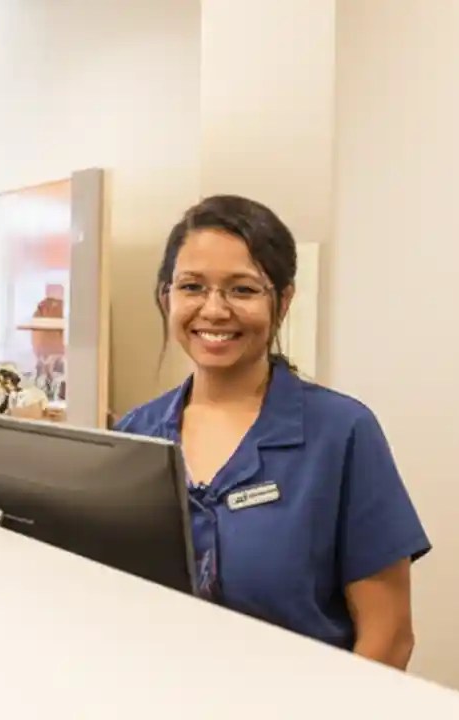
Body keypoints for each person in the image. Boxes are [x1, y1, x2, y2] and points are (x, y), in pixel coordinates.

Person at [115, 195, 430, 670]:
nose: (214, 310)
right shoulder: (135, 436)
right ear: (167, 297)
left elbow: (389, 638)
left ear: (283, 301)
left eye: (242, 290)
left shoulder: (341, 434)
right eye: (192, 287)